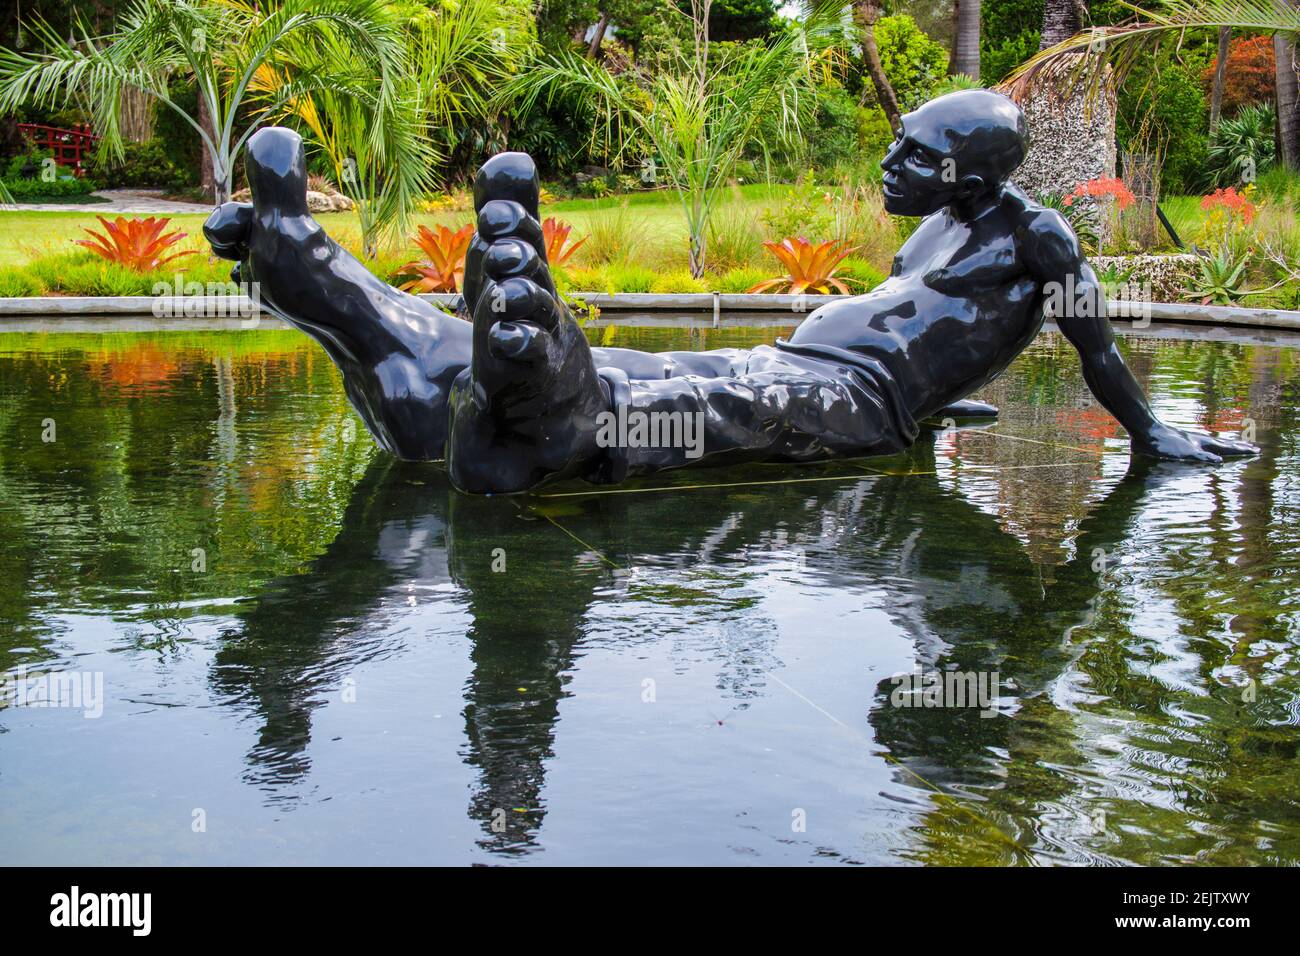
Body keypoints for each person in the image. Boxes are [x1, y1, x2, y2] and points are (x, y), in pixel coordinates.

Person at [204, 89, 1256, 494]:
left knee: (705, 402)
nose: (891, 166)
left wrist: (1149, 432)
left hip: (848, 402)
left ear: (972, 176)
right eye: (895, 144)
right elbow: (943, 331)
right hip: (816, 372)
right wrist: (945, 399)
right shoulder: (946, 221)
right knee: (685, 371)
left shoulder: (1034, 234)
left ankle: (548, 408)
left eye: (914, 155)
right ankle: (344, 290)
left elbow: (1093, 344)